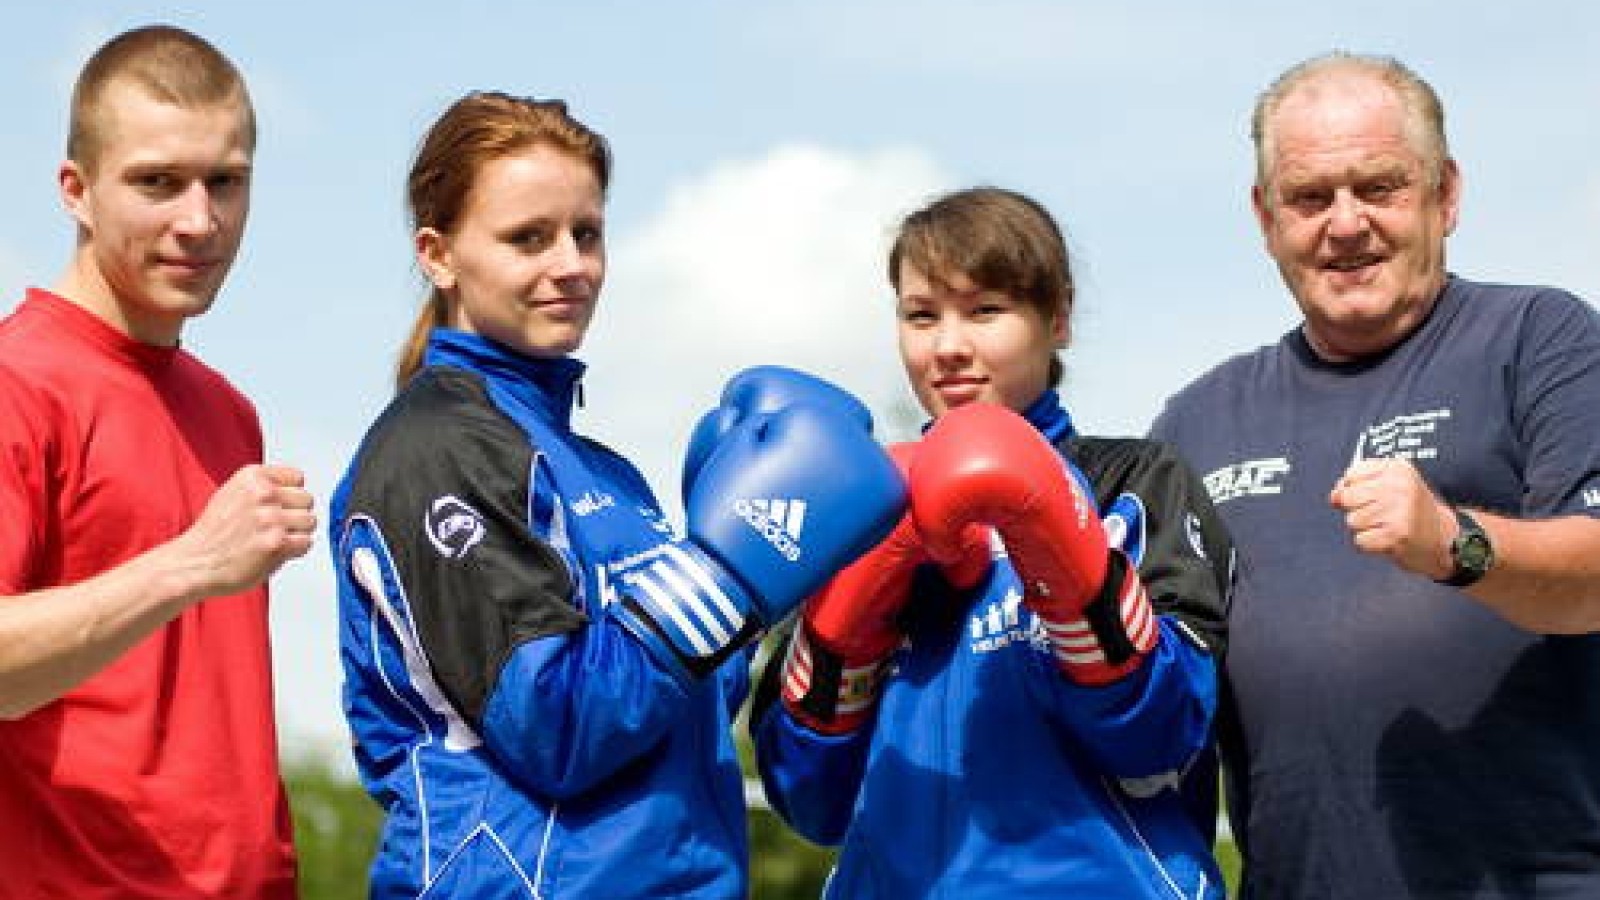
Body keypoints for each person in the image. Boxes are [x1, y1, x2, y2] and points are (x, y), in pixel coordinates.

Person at [329, 90, 905, 899]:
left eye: (586, 233)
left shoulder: (603, 472)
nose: (571, 264)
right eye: (528, 238)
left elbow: (685, 705)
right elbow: (558, 727)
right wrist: (726, 572)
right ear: (438, 254)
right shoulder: (437, 448)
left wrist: (783, 596)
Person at [1149, 51, 1600, 898]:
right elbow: (1152, 693)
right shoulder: (1194, 423)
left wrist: (1454, 544)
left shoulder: (1541, 339)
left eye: (1379, 187)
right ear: (1265, 216)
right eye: (1310, 197)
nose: (1345, 224)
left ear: (1446, 194)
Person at [750, 186, 1232, 897]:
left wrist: (1070, 575)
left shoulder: (1131, 484)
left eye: (985, 311)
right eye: (921, 316)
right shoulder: (858, 518)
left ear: (1057, 316)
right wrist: (843, 640)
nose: (948, 347)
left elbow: (1161, 740)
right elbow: (809, 801)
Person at [0, 24, 313, 899]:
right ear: (77, 189)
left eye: (226, 181)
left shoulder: (227, 410)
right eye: (157, 183)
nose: (199, 220)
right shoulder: (17, 384)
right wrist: (191, 563)